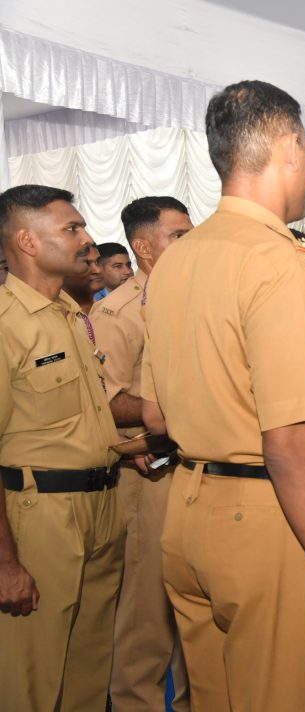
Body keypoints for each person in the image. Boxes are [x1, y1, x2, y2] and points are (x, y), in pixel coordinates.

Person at [140, 80, 305, 711]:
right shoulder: (279, 265)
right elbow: (290, 441)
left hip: (186, 513)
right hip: (271, 521)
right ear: (292, 146)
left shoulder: (175, 264)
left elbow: (156, 414)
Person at [0, 184, 124, 712]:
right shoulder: (8, 324)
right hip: (41, 516)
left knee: (88, 671)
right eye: (71, 229)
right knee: (30, 676)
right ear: (27, 240)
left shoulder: (70, 316)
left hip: (100, 506)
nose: (87, 240)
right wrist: (5, 562)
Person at [91, 195, 194, 711]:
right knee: (146, 618)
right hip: (148, 477)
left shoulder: (194, 299)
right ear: (143, 246)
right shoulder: (117, 312)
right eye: (179, 236)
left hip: (199, 471)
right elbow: (105, 403)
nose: (189, 244)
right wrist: (178, 413)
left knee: (196, 611)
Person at [62, 242, 104, 314]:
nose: (97, 270)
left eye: (97, 262)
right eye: (86, 263)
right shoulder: (56, 314)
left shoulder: (109, 309)